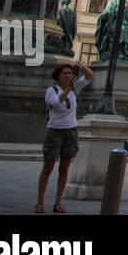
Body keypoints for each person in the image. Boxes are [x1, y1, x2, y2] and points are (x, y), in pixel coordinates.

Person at [37, 61, 93, 213]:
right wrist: (68, 88)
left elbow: (90, 75)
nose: (68, 76)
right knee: (48, 167)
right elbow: (56, 103)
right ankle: (40, 202)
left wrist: (81, 66)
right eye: (65, 74)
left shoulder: (74, 88)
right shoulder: (52, 90)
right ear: (58, 76)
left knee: (64, 168)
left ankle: (58, 203)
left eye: (69, 73)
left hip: (71, 131)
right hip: (55, 131)